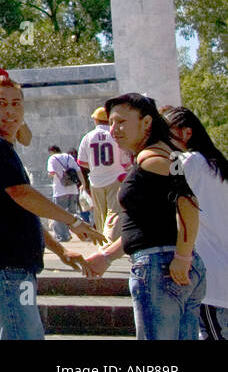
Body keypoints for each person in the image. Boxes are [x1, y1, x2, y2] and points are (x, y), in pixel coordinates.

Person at [0, 76, 106, 338]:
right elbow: (22, 194)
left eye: (16, 104)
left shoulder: (1, 146)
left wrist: (60, 250)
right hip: (3, 268)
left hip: (14, 266)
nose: (10, 111)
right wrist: (73, 221)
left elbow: (21, 211)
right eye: (1, 104)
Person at [83, 94, 205, 340]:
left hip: (159, 269)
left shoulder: (152, 158)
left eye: (121, 122)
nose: (113, 130)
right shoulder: (163, 154)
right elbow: (145, 224)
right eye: (111, 123)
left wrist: (183, 255)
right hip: (169, 266)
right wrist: (107, 256)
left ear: (146, 122)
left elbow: (189, 204)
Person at [164, 106, 228, 339]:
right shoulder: (217, 165)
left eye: (164, 132)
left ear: (185, 133)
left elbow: (164, 203)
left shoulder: (181, 161)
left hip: (209, 280)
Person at [77, 106, 129, 242]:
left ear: (95, 120)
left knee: (100, 214)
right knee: (115, 212)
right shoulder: (116, 136)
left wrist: (96, 167)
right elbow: (125, 161)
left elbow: (82, 162)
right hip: (116, 178)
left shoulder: (88, 137)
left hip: (96, 181)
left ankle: (102, 240)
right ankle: (112, 240)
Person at [46, 145, 83, 242]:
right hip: (73, 190)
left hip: (60, 191)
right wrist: (83, 184)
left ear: (51, 151)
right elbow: (78, 171)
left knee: (58, 213)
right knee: (73, 213)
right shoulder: (68, 157)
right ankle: (80, 232)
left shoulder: (52, 158)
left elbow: (51, 172)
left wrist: (53, 174)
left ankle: (61, 236)